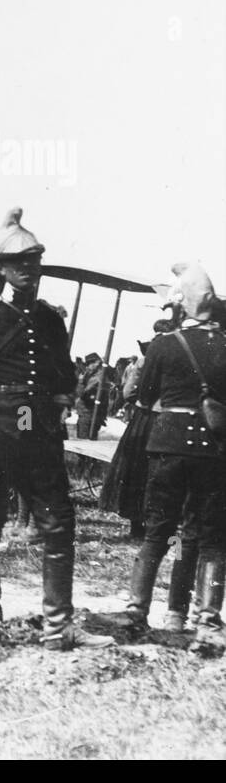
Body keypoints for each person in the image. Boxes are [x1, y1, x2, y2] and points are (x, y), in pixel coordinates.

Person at [0, 208, 113, 650]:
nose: (28, 271)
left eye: (34, 262)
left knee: (59, 523)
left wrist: (59, 406)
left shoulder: (51, 320)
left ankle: (58, 626)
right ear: (1, 269)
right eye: (19, 264)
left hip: (38, 435)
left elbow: (61, 378)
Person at [126, 263, 226, 646]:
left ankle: (137, 612)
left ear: (180, 304)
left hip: (167, 447)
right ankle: (205, 620)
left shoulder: (165, 344)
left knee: (158, 532)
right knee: (208, 537)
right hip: (213, 453)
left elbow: (145, 396)